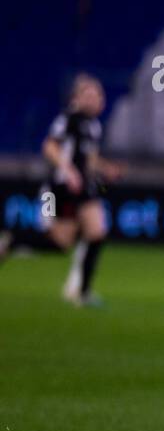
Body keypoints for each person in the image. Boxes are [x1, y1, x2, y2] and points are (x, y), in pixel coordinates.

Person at [0, 73, 122, 306]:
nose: (96, 99)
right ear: (77, 98)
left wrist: (107, 169)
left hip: (82, 190)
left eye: (98, 94)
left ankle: (81, 292)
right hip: (58, 189)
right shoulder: (67, 119)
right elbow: (49, 146)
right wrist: (68, 170)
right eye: (90, 94)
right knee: (59, 242)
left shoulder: (93, 126)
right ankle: (13, 241)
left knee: (96, 231)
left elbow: (90, 159)